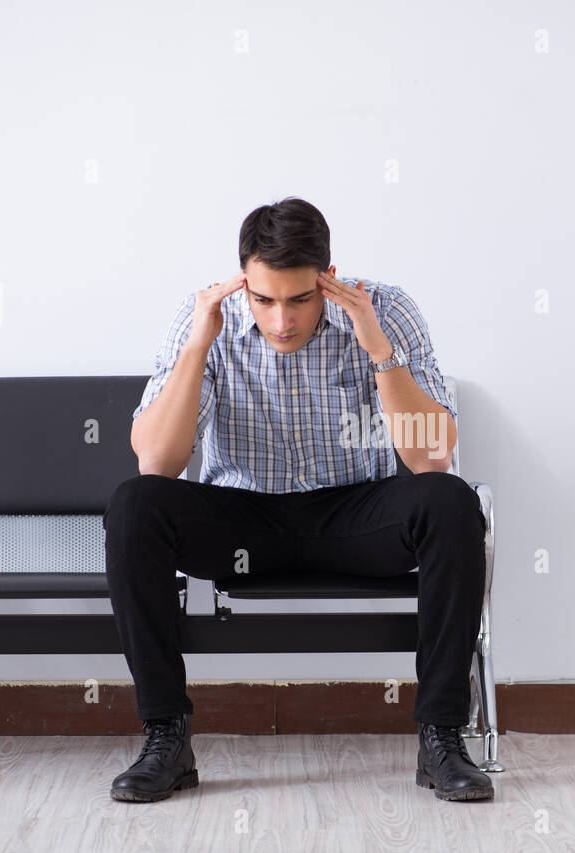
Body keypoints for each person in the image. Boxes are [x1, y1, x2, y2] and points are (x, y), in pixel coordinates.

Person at [102, 196, 491, 802]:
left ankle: (442, 737)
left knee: (450, 501)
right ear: (244, 284)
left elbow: (429, 458)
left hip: (356, 517)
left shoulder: (385, 310)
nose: (281, 321)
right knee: (134, 504)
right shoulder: (206, 315)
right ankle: (166, 736)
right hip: (245, 527)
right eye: (264, 300)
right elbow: (157, 462)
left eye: (300, 299)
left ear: (327, 279)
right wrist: (197, 349)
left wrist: (378, 349)